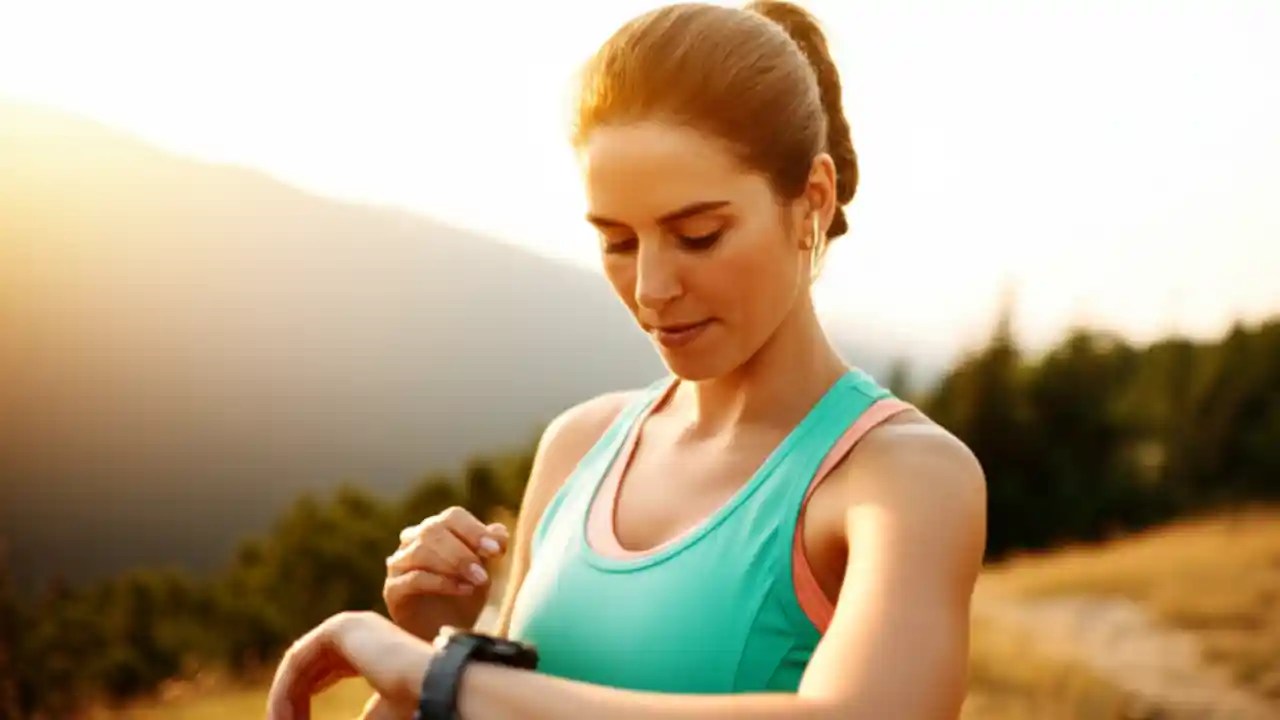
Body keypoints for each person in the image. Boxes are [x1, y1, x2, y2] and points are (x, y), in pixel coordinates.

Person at [266, 2, 987, 718]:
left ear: (813, 203)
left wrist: (438, 675)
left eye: (699, 235)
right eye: (617, 241)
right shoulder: (579, 448)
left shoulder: (903, 478)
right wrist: (428, 643)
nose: (651, 289)